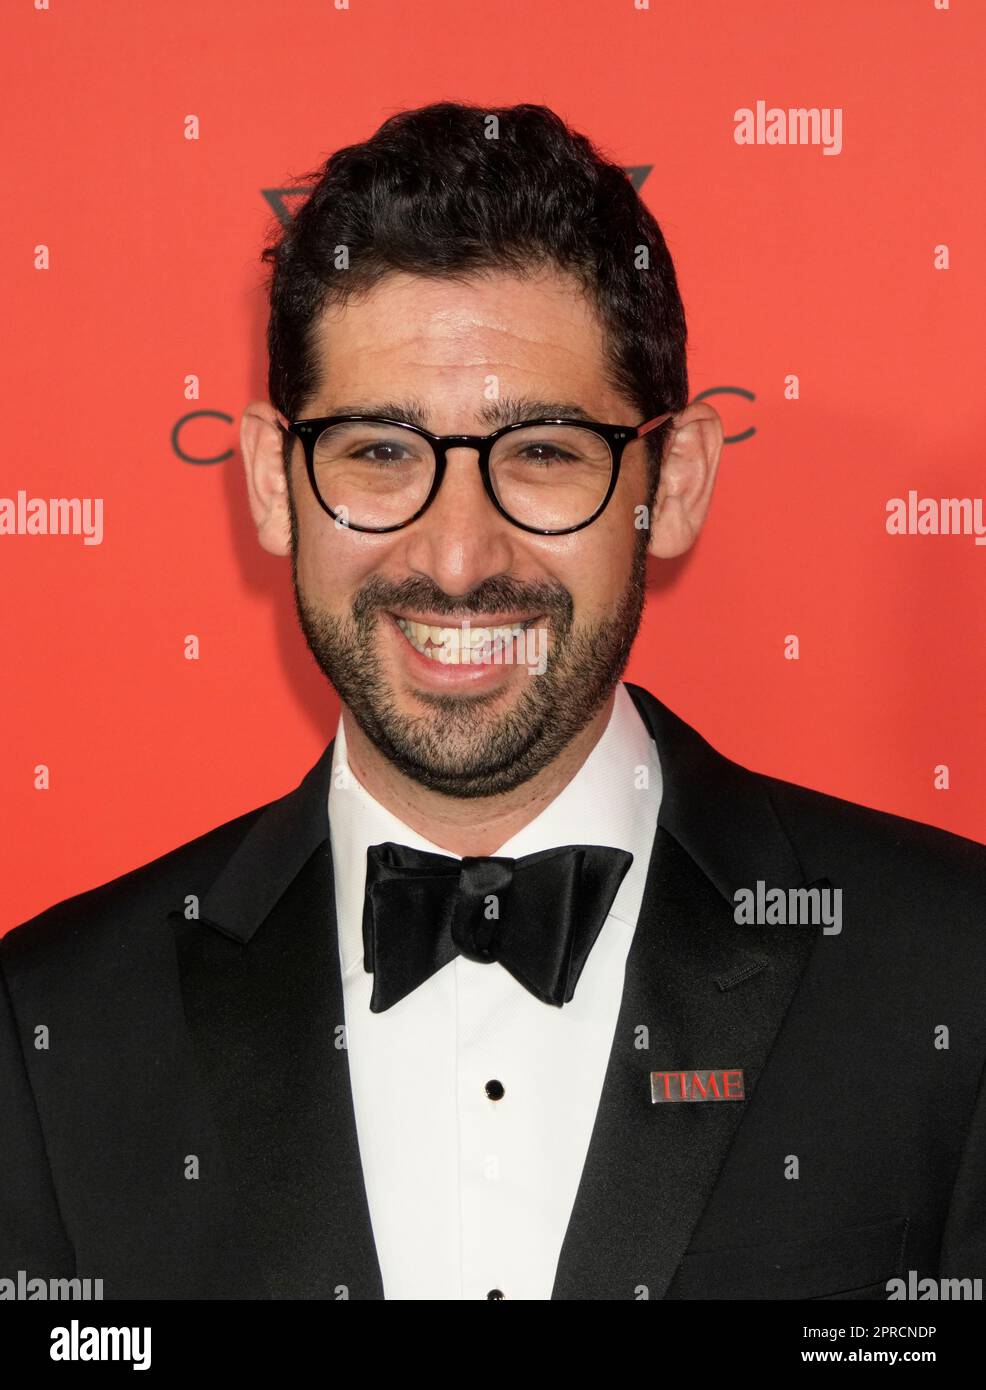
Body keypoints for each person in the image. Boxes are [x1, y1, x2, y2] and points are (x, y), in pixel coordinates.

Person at [2, 101, 985, 1303]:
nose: (458, 558)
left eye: (542, 453)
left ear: (669, 484)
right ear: (272, 483)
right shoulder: (55, 1027)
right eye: (377, 452)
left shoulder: (949, 973)